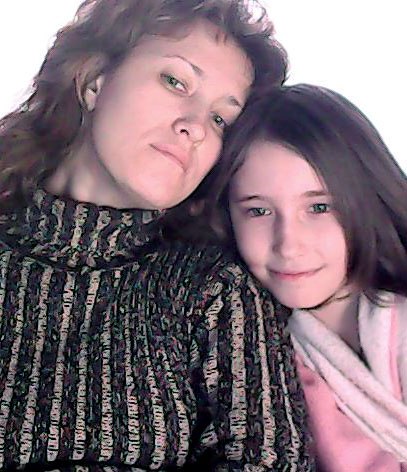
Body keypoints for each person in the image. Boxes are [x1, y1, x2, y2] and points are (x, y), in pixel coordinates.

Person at [0, 1, 314, 471]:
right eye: (175, 81)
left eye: (220, 119)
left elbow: (271, 461)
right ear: (93, 81)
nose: (195, 128)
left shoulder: (214, 285)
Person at [208, 83, 407, 471]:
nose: (289, 244)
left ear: (365, 197)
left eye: (318, 207)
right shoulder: (252, 350)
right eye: (258, 211)